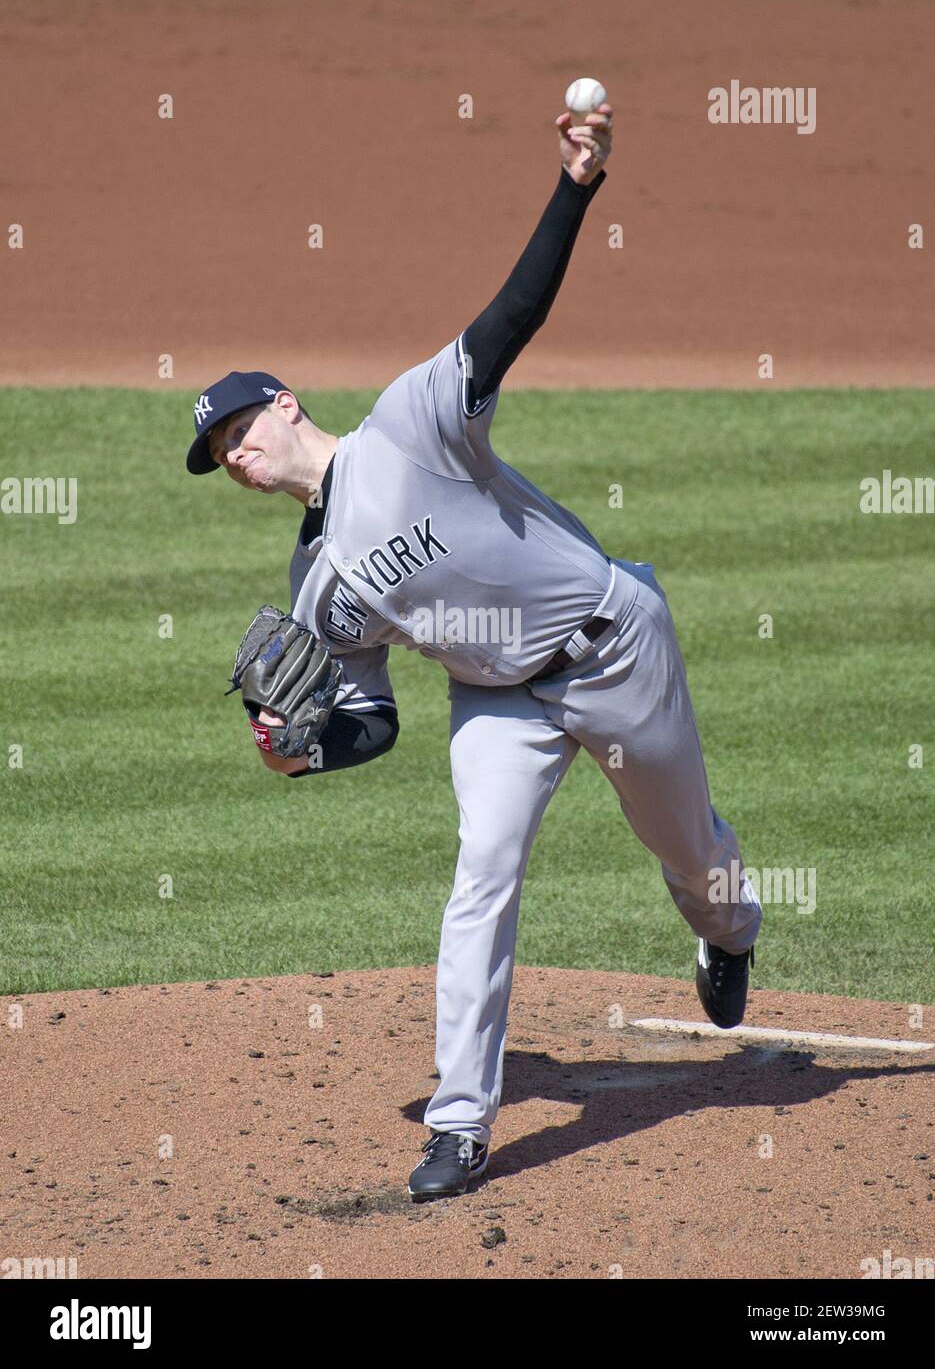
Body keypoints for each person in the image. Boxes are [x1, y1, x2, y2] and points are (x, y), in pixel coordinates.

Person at [185, 102, 762, 1203]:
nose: (238, 457)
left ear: (284, 404)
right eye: (220, 457)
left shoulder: (411, 422)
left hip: (610, 646)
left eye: (238, 431)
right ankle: (459, 1124)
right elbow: (372, 719)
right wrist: (298, 755)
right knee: (478, 880)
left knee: (688, 848)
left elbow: (510, 317)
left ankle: (729, 930)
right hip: (495, 705)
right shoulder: (318, 591)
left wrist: (575, 189)